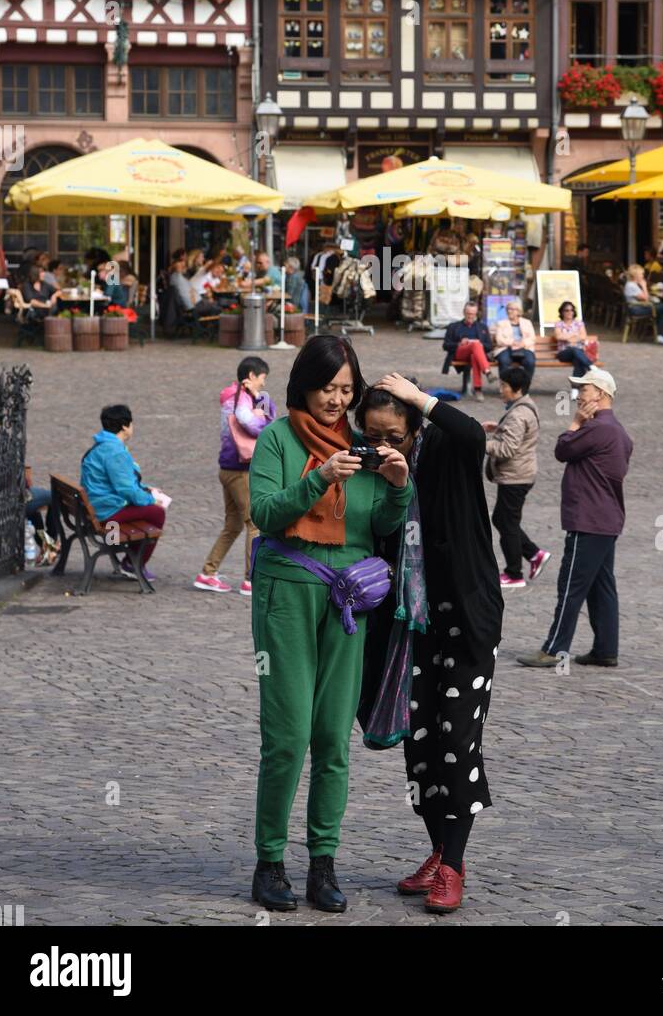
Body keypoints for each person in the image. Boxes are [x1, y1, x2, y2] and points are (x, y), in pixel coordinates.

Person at [249, 336, 412, 915]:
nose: (338, 401)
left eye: (347, 389)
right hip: (286, 593)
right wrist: (318, 479)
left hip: (350, 602)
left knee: (332, 741)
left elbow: (382, 525)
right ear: (304, 386)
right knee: (288, 736)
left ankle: (323, 863)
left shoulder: (364, 443)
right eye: (328, 388)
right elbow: (263, 514)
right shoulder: (277, 438)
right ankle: (269, 862)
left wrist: (398, 483)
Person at [357, 373, 503, 915]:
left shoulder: (446, 448)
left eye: (395, 433)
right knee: (419, 746)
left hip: (467, 616)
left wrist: (422, 398)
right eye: (373, 434)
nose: (383, 444)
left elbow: (472, 436)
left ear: (417, 426)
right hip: (411, 624)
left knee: (455, 739)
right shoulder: (375, 465)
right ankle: (438, 850)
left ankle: (455, 866)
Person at [518, 368, 632, 670]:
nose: (579, 394)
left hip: (589, 521)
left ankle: (555, 649)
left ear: (602, 394)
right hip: (606, 521)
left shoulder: (596, 429)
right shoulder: (619, 432)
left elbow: (563, 449)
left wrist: (576, 422)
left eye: (585, 389)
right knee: (602, 587)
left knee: (570, 587)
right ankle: (606, 650)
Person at [194, 357, 277, 597]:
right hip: (239, 468)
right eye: (262, 379)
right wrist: (259, 405)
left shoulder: (239, 395)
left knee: (232, 525)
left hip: (227, 467)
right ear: (251, 375)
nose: (263, 384)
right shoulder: (239, 398)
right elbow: (254, 424)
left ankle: (207, 573)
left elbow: (267, 416)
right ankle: (251, 579)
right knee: (254, 523)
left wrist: (261, 398)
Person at [482, 364, 551, 590]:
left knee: (507, 523)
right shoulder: (525, 405)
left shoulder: (518, 414)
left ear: (517, 388)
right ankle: (534, 554)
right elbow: (515, 436)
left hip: (516, 477)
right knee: (502, 519)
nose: (500, 389)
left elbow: (507, 449)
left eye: (504, 386)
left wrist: (479, 443)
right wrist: (498, 428)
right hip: (520, 474)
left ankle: (514, 573)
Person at [80, 405, 166, 582]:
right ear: (125, 426)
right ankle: (133, 564)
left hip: (96, 507)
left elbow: (122, 483)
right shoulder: (115, 452)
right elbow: (126, 490)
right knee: (157, 512)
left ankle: (129, 556)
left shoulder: (102, 446)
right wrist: (151, 499)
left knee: (146, 505)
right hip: (106, 514)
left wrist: (146, 489)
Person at [442, 300, 495, 401]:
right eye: (468, 313)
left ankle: (478, 389)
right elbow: (445, 345)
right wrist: (459, 343)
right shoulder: (454, 326)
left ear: (476, 314)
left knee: (475, 353)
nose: (471, 316)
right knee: (475, 345)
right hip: (459, 353)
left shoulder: (482, 327)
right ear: (464, 312)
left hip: (476, 354)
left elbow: (489, 346)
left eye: (473, 314)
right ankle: (487, 372)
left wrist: (478, 344)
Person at [492, 300, 537, 382]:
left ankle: (524, 388)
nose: (509, 311)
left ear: (518, 311)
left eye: (512, 309)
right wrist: (512, 342)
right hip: (505, 348)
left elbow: (532, 338)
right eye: (508, 309)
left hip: (524, 348)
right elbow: (499, 340)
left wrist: (523, 343)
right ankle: (505, 387)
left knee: (530, 362)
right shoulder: (501, 323)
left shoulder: (527, 322)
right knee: (503, 361)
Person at [624, 263, 663, 343]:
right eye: (642, 274)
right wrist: (644, 286)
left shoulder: (632, 284)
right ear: (636, 275)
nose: (643, 276)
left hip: (636, 307)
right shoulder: (631, 286)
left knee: (661, 308)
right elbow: (645, 298)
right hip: (636, 309)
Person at [553, 300, 593, 378]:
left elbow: (583, 336)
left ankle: (575, 389)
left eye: (572, 310)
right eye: (567, 310)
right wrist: (575, 334)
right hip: (563, 353)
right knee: (574, 349)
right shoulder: (559, 324)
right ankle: (591, 366)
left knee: (578, 361)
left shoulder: (579, 323)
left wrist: (568, 337)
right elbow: (558, 336)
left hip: (578, 353)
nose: (570, 312)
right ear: (562, 312)